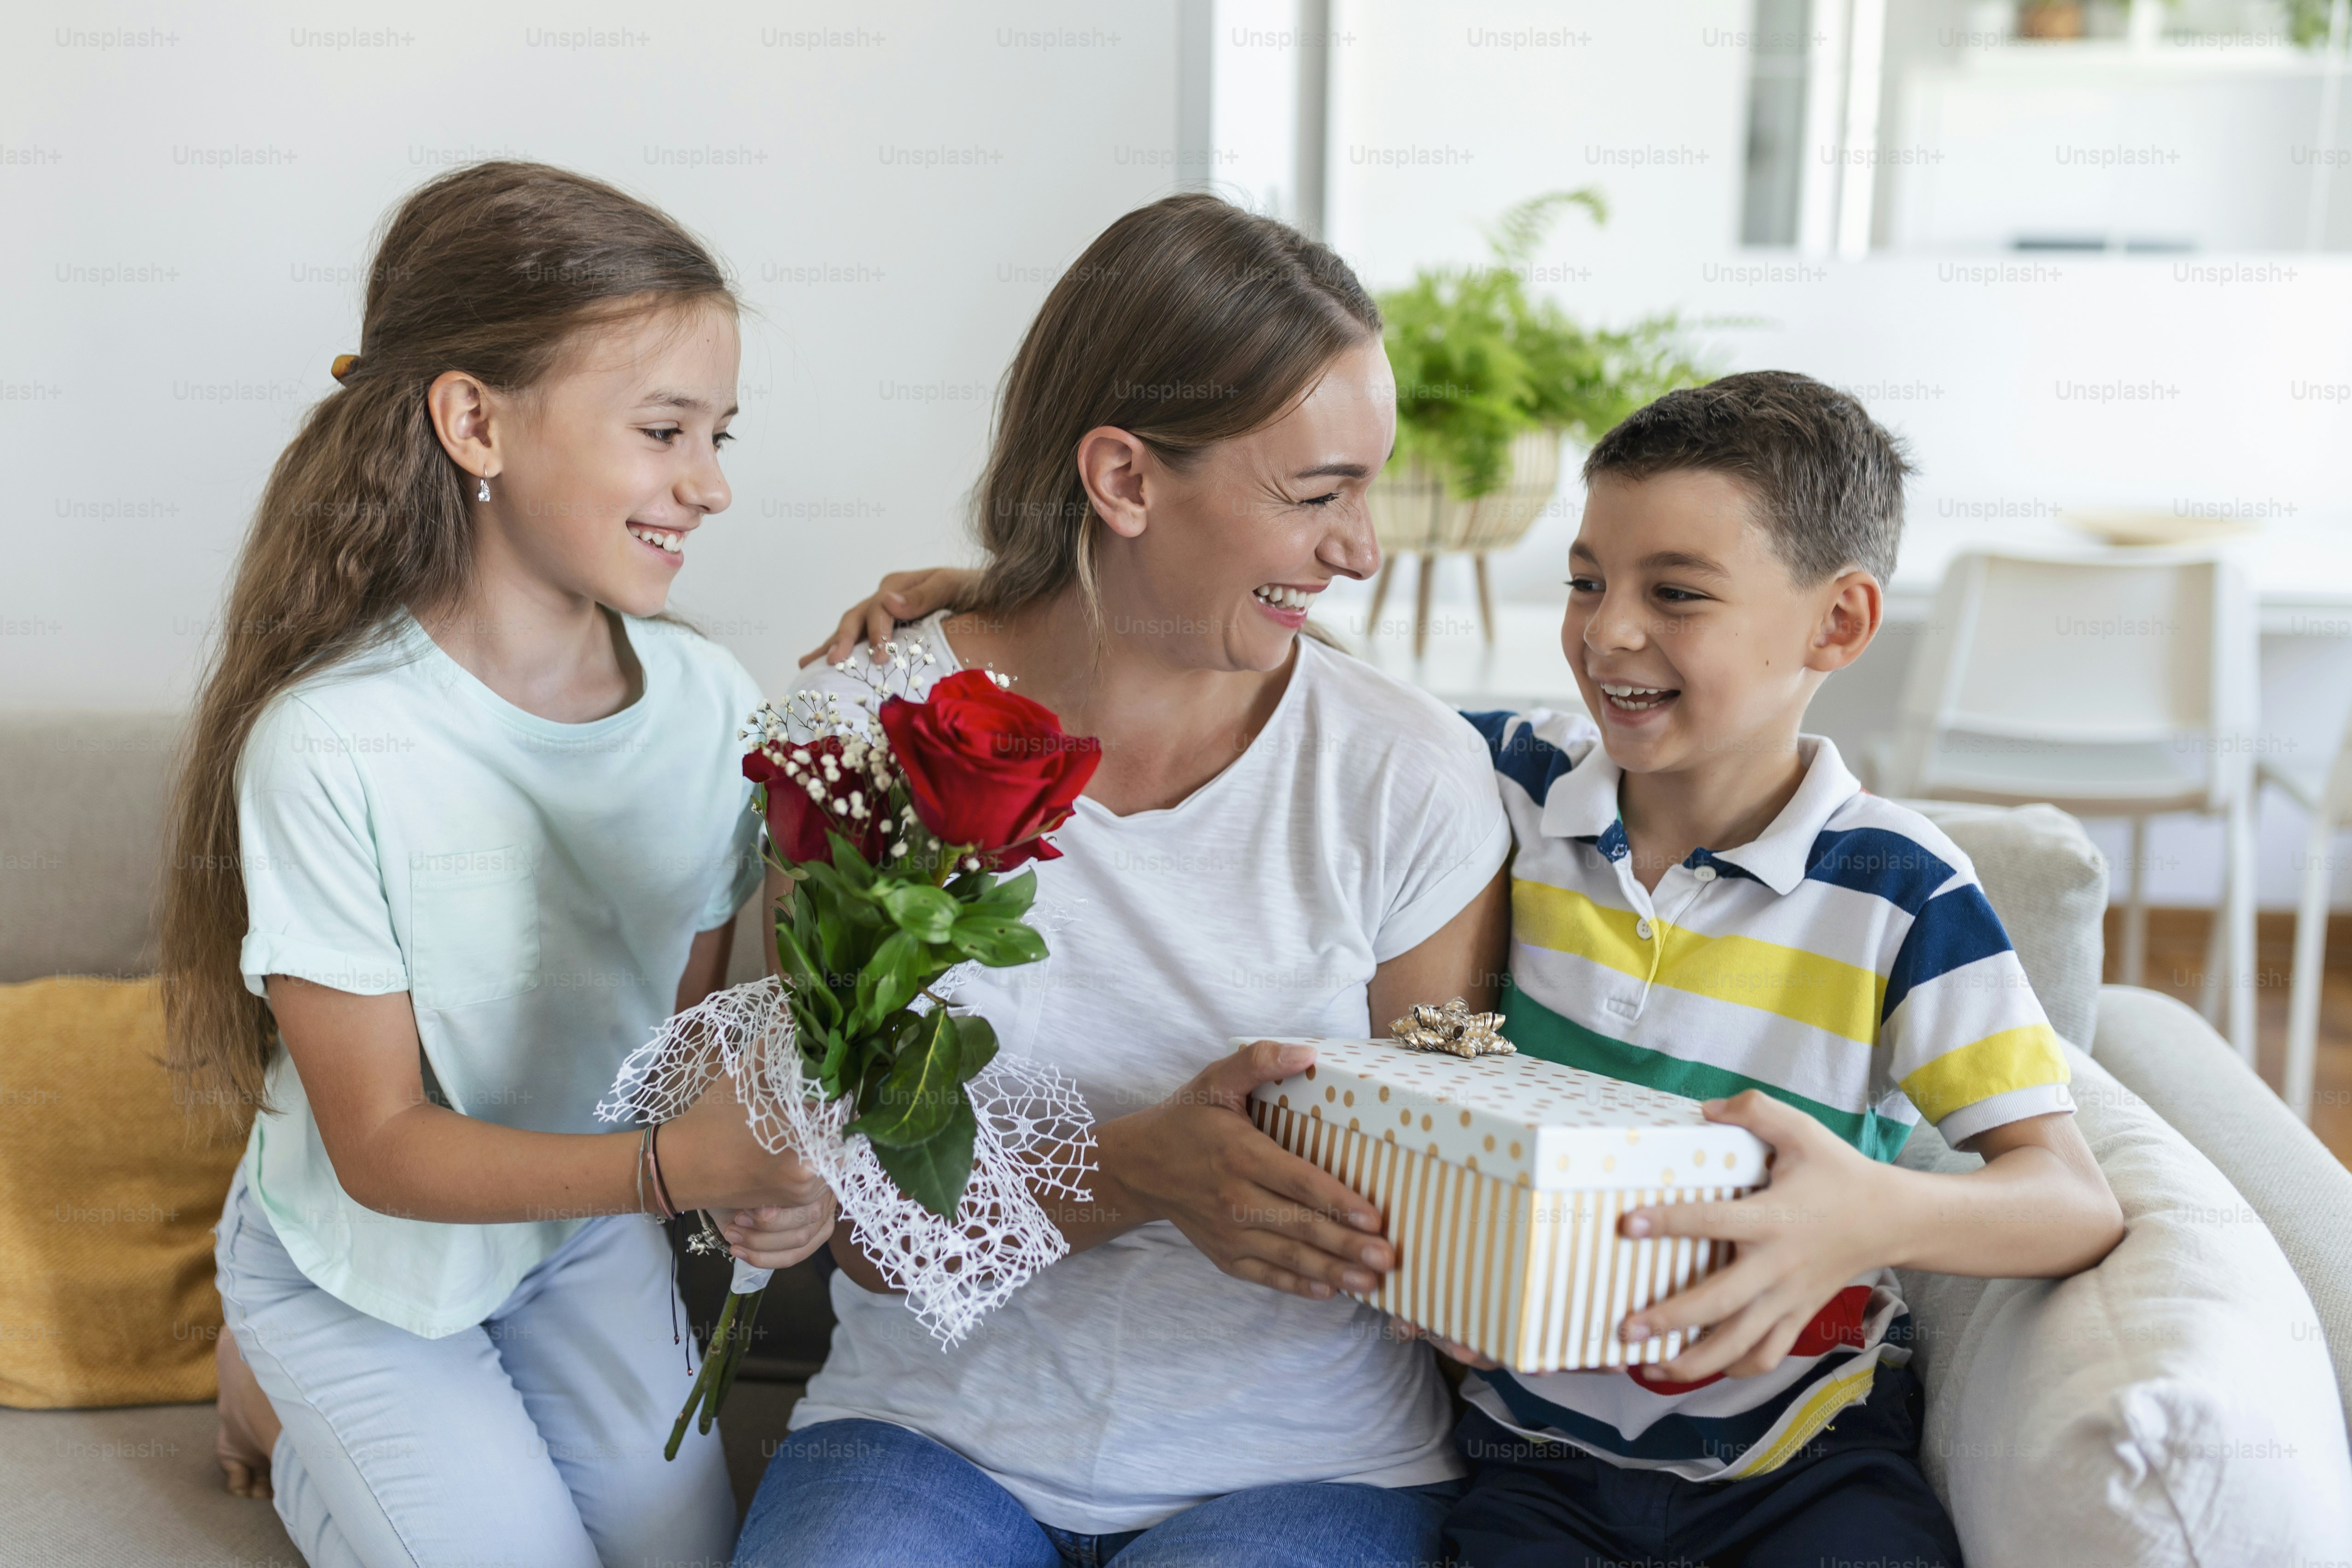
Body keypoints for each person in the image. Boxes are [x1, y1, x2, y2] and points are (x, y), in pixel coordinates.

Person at [829, 371, 2127, 1568]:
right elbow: (1270, 682)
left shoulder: (1903, 893)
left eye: (1674, 593)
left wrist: (1867, 1214)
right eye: (1582, 581)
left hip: (1805, 1462)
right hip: (1530, 1466)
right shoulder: (1507, 783)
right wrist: (1008, 600)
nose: (1609, 632)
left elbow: (2065, 1202)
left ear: (1837, 621)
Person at [734, 193, 1513, 1568]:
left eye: (1367, 488)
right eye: (1316, 493)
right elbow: (850, 1231)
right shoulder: (860, 733)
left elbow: (1448, 1209)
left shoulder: (1407, 776)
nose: (1362, 550)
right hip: (922, 1437)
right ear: (1125, 480)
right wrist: (1135, 1169)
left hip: (1311, 1469)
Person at [163, 162, 834, 1568]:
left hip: (574, 1226)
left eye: (719, 433)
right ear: (473, 422)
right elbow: (387, 1149)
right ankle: (273, 1390)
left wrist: (760, 1177)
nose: (708, 486)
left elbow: (670, 1054)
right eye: (662, 430)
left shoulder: (712, 707)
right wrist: (676, 1167)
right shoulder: (332, 742)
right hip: (366, 1254)